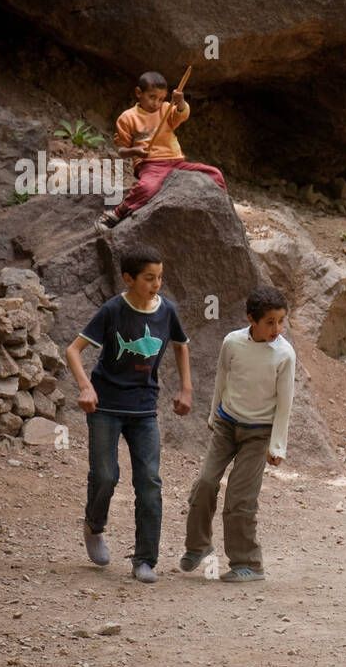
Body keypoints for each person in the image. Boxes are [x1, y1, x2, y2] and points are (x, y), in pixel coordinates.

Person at [64, 244, 191, 582]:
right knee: (106, 475)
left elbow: (181, 345)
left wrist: (186, 389)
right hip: (105, 405)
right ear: (128, 278)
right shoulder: (112, 310)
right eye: (149, 278)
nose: (156, 284)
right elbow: (73, 351)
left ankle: (145, 559)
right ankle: (94, 525)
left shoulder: (167, 312)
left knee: (149, 481)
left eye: (160, 277)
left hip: (144, 409)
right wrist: (85, 387)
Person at [181, 286, 296, 584]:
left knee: (240, 497)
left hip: (259, 434)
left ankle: (249, 563)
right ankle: (198, 545)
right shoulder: (232, 342)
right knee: (205, 483)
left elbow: (285, 402)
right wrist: (212, 414)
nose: (277, 329)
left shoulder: (284, 354)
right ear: (251, 319)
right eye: (270, 322)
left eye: (281, 321)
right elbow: (222, 377)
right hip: (226, 424)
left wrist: (277, 446)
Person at [97, 71, 227, 229]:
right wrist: (136, 151)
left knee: (215, 174)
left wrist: (180, 102)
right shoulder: (127, 118)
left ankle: (225, 213)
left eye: (160, 99)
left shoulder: (166, 109)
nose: (156, 103)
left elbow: (182, 114)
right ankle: (118, 213)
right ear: (139, 93)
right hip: (151, 165)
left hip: (177, 162)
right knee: (148, 187)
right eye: (152, 97)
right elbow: (122, 150)